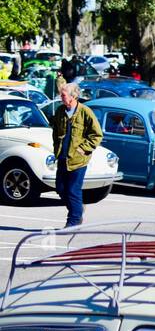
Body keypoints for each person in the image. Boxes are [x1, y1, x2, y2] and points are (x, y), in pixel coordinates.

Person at [49, 82, 102, 227]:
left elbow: (97, 135)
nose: (61, 98)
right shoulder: (60, 111)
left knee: (73, 190)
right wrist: (56, 150)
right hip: (62, 158)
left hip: (78, 160)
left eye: (64, 95)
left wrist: (83, 149)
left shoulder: (85, 112)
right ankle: (78, 208)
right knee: (61, 189)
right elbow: (55, 133)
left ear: (73, 96)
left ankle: (73, 221)